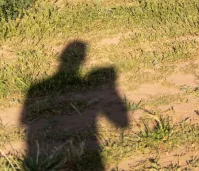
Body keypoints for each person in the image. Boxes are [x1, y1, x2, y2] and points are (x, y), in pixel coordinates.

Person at [21, 40, 129, 169]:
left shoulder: (36, 88)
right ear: (83, 60)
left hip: (46, 152)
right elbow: (122, 122)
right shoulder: (85, 88)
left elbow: (25, 120)